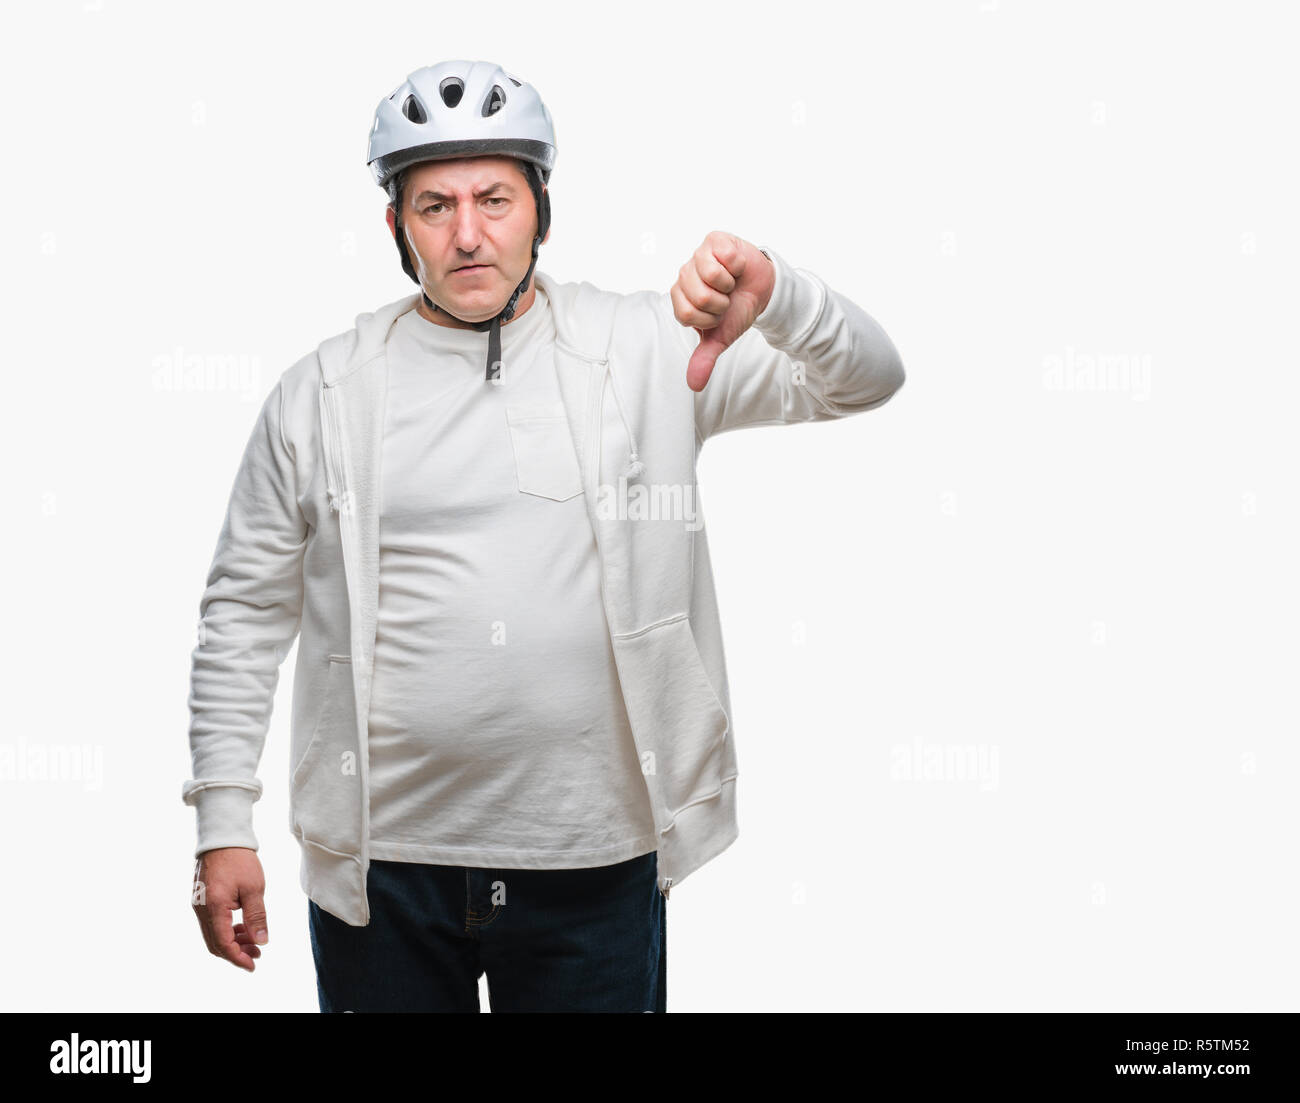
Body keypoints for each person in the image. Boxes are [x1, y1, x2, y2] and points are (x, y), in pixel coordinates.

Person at [184, 59, 906, 1013]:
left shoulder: (649, 349)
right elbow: (243, 607)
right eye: (436, 206)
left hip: (595, 861)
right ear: (398, 228)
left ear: (543, 213)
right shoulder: (321, 393)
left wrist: (776, 297)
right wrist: (222, 820)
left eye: (495, 197)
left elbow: (867, 379)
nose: (469, 232)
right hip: (382, 870)